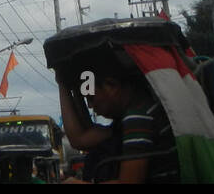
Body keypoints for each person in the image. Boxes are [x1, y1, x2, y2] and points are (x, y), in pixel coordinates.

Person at [56, 54, 179, 184]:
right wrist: (65, 84)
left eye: (91, 98)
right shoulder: (143, 109)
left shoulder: (138, 119)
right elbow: (80, 139)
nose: (90, 106)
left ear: (111, 85)